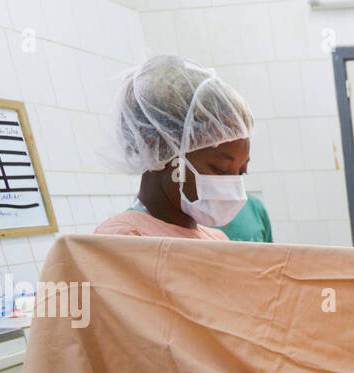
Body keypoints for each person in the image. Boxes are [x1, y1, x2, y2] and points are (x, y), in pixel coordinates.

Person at [94, 54, 252, 240]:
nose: (231, 188)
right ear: (160, 149)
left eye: (241, 172)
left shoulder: (216, 240)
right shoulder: (122, 240)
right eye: (221, 170)